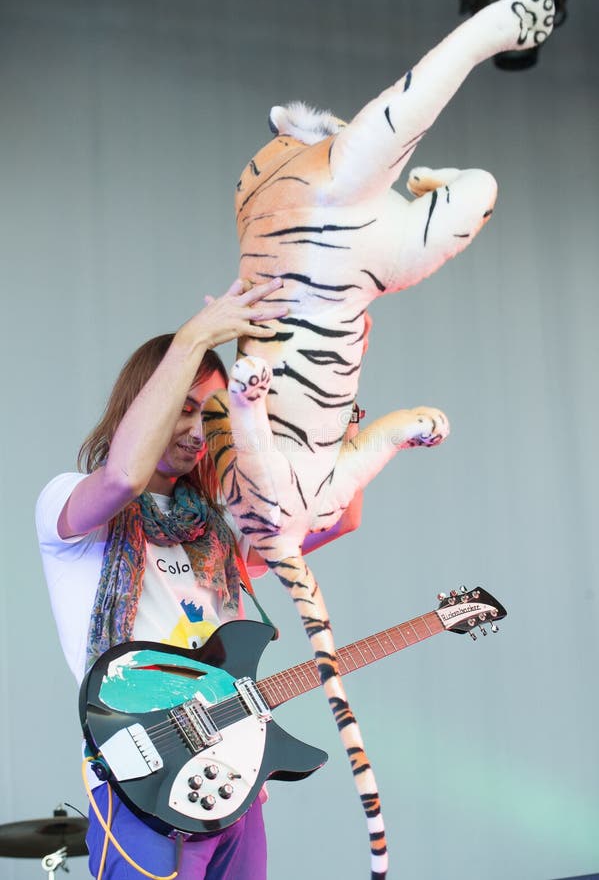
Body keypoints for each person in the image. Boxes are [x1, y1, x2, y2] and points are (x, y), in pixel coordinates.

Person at [36, 277, 363, 880]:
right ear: (146, 400)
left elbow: (337, 518)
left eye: (208, 414)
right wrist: (194, 340)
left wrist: (338, 409)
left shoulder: (218, 530)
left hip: (232, 774)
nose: (195, 429)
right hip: (145, 783)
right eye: (183, 407)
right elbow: (122, 479)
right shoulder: (72, 505)